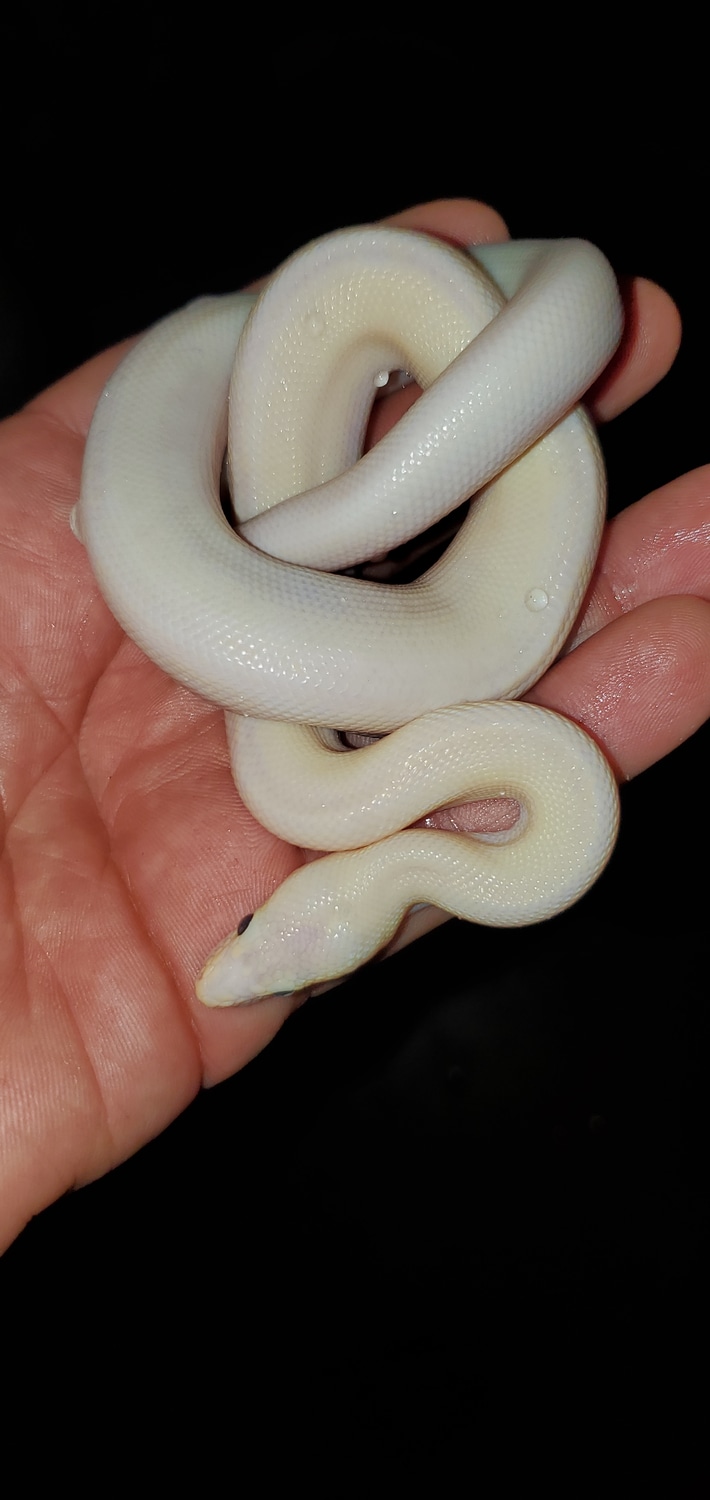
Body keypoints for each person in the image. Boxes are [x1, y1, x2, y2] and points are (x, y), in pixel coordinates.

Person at [0, 198, 706, 1253]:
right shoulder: (335, 802)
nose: (234, 947)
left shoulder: (336, 799)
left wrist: (249, 554)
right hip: (375, 375)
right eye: (266, 940)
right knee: (537, 310)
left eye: (246, 931)